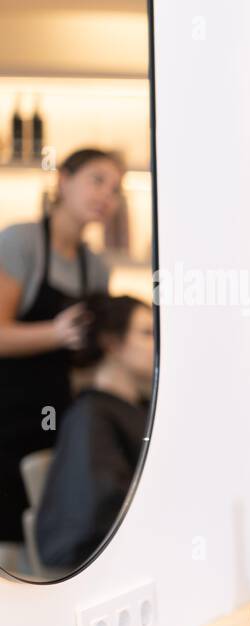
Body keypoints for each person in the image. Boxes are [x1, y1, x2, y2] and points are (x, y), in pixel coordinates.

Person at [0, 148, 122, 553]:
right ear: (63, 180)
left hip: (56, 415)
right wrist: (55, 333)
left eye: (116, 189)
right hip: (6, 416)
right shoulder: (21, 243)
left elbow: (87, 358)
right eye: (97, 179)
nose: (107, 195)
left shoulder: (97, 268)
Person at [36, 295, 153, 571]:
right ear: (112, 343)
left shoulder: (142, 409)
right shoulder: (91, 416)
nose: (157, 344)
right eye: (147, 333)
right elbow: (104, 507)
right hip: (107, 568)